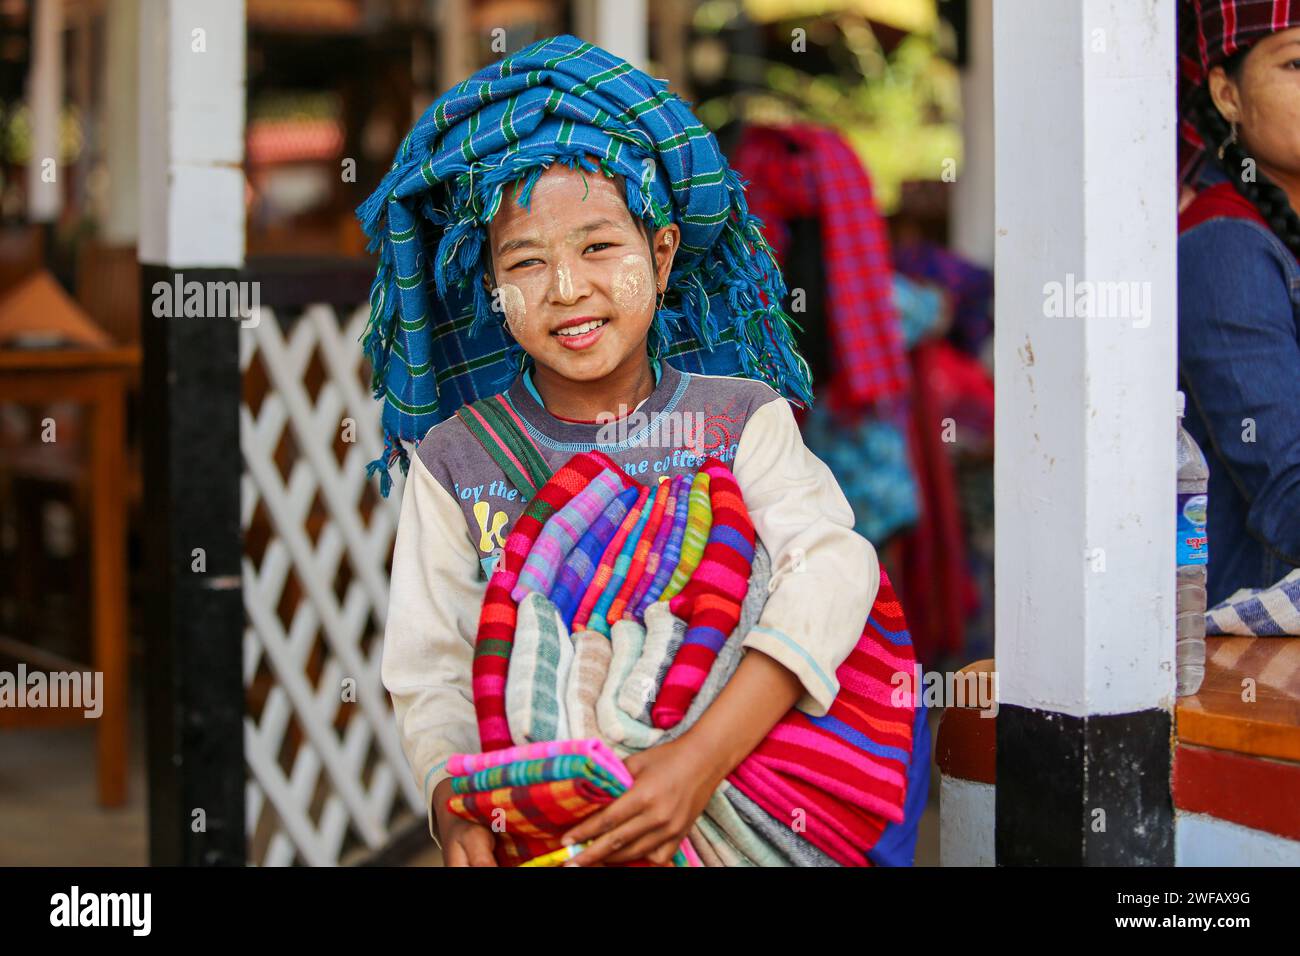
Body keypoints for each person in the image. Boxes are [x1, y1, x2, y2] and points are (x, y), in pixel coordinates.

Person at [360, 36, 924, 866]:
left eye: (598, 247)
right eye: (525, 261)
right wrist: (454, 806)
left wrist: (698, 762)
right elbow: (430, 666)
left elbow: (832, 568)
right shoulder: (457, 462)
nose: (566, 288)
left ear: (660, 257)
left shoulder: (740, 422)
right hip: (552, 834)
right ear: (492, 289)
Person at [1178, 1, 1300, 605]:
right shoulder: (1223, 246)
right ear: (1228, 95)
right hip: (1256, 660)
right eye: (1296, 63)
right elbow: (1289, 495)